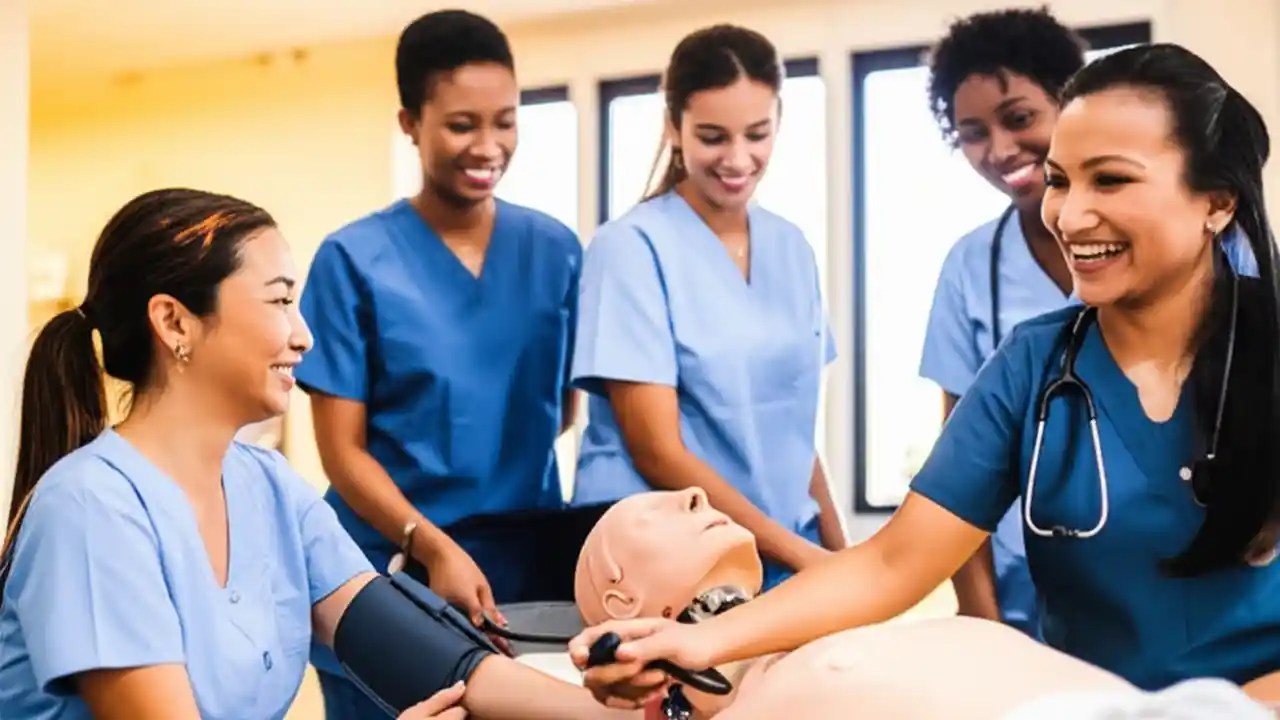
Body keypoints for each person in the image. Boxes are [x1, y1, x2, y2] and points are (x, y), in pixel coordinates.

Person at [568, 43, 1280, 704]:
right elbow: (892, 564)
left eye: (1113, 179)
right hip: (1091, 706)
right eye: (1062, 180)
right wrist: (697, 640)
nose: (1070, 212)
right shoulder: (1033, 366)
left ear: (1218, 201)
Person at [0, 189, 640, 720]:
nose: (303, 335)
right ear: (174, 323)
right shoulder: (90, 508)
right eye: (280, 300)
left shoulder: (269, 488)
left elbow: (441, 664)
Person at [920, 8, 1258, 639]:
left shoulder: (1230, 267)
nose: (997, 148)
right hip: (1041, 587)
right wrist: (986, 631)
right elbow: (951, 485)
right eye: (971, 131)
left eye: (1018, 118)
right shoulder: (983, 282)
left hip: (1217, 589)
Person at [292, 9, 582, 716]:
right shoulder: (353, 259)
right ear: (409, 121)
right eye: (462, 124)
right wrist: (433, 543)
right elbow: (341, 451)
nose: (489, 145)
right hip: (386, 575)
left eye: (506, 121)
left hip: (520, 570)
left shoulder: (556, 251)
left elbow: (565, 410)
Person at [572, 489, 1272, 719]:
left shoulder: (802, 636)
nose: (696, 495)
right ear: (620, 602)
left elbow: (891, 561)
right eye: (653, 514)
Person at [569, 23, 844, 593]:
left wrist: (840, 556)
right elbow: (656, 449)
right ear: (673, 126)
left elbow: (791, 430)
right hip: (664, 566)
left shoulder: (791, 247)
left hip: (781, 551)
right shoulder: (629, 248)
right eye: (713, 136)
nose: (738, 158)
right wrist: (800, 554)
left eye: (758, 134)